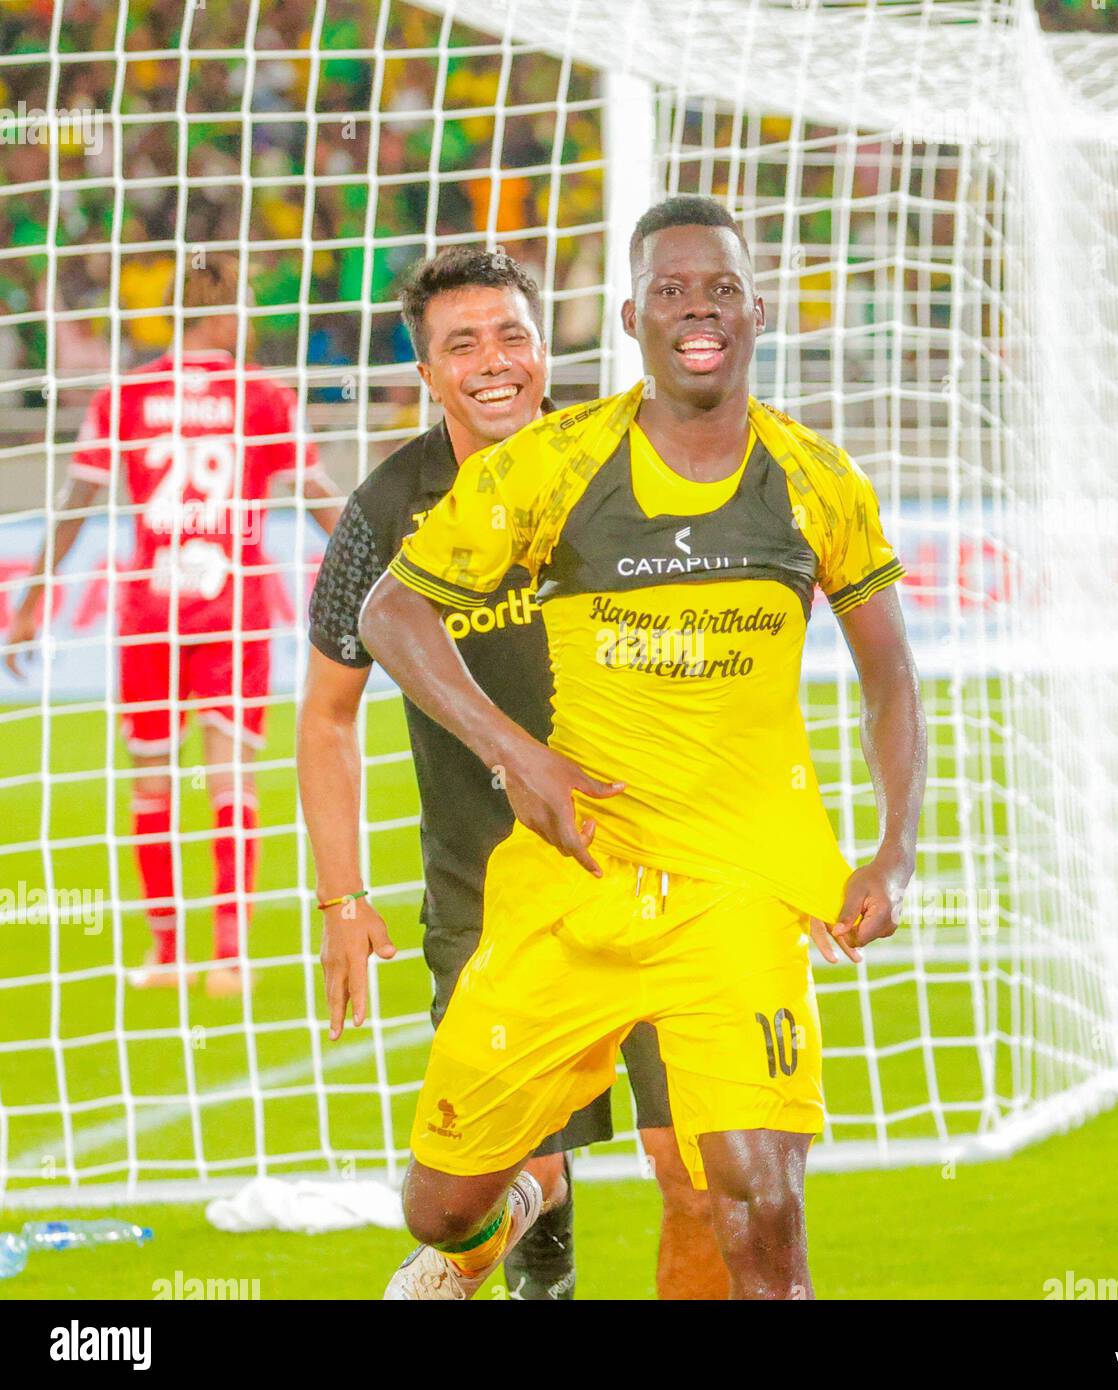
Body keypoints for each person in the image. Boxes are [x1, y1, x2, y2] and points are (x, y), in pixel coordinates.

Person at [359, 197, 927, 1300]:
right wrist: (517, 754)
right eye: (670, 291)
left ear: (757, 308)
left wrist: (893, 849)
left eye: (718, 288)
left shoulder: (819, 481)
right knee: (439, 1201)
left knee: (755, 1199)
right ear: (630, 315)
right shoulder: (555, 464)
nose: (696, 309)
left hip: (736, 897)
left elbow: (890, 674)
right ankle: (481, 1243)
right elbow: (392, 613)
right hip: (573, 890)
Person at [299, 247, 728, 1300]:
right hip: (487, 890)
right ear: (426, 375)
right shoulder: (386, 511)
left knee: (695, 1167)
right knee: (517, 1166)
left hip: (659, 873)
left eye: (513, 336)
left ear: (545, 351)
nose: (494, 362)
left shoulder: (633, 466)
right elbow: (326, 713)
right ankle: (496, 1241)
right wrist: (343, 897)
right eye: (463, 344)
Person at [4, 253, 341, 996]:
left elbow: (74, 507)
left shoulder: (127, 394)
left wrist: (31, 604)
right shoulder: (263, 397)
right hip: (231, 605)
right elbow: (323, 504)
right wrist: (384, 576)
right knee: (230, 771)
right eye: (245, 307)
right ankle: (228, 955)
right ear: (224, 313)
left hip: (150, 609)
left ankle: (164, 952)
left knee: (150, 776)